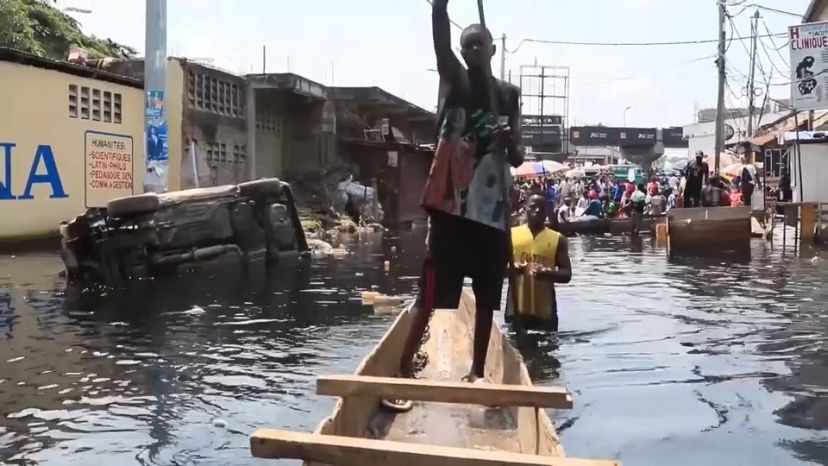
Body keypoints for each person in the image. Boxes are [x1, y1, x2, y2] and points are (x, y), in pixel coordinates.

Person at [396, 0, 524, 401]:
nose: (470, 52)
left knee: (487, 294)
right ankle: (403, 366)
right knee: (431, 290)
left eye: (476, 46)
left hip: (491, 211)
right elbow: (440, 46)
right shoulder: (455, 80)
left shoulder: (508, 95)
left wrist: (508, 143)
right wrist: (439, 6)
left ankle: (476, 371)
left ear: (491, 50)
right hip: (452, 207)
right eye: (465, 46)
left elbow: (518, 156)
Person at [506, 194, 572, 331]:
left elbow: (567, 274)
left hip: (545, 314)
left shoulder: (558, 239)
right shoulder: (511, 235)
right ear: (525, 209)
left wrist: (546, 272)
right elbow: (496, 269)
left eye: (541, 208)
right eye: (533, 207)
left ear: (547, 212)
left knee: (546, 349)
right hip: (516, 311)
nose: (537, 211)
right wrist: (513, 269)